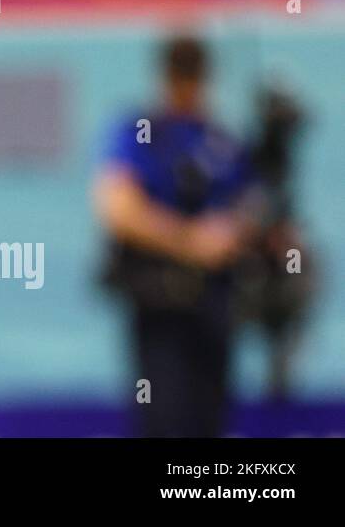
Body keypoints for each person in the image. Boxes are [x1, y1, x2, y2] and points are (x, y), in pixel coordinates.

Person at [93, 35, 254, 437]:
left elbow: (249, 208)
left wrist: (230, 234)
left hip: (215, 302)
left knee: (208, 419)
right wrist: (189, 241)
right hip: (160, 303)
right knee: (163, 416)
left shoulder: (222, 142)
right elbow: (117, 207)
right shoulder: (143, 132)